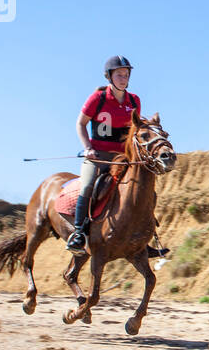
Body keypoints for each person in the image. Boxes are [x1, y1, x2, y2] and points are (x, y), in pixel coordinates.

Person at [66, 55, 158, 254]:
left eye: (126, 75)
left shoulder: (134, 101)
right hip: (98, 156)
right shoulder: (97, 99)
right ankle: (79, 233)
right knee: (88, 185)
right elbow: (80, 124)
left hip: (123, 158)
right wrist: (87, 147)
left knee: (144, 189)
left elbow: (135, 129)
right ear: (109, 76)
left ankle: (143, 237)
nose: (124, 79)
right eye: (119, 75)